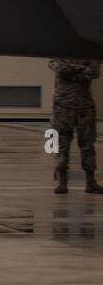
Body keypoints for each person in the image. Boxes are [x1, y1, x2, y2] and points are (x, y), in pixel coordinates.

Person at [49, 58, 101, 194]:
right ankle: (62, 182)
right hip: (63, 106)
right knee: (61, 145)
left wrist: (71, 70)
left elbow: (94, 72)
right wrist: (82, 69)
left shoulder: (88, 52)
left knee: (88, 145)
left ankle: (91, 182)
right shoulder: (59, 51)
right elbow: (60, 68)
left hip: (84, 107)